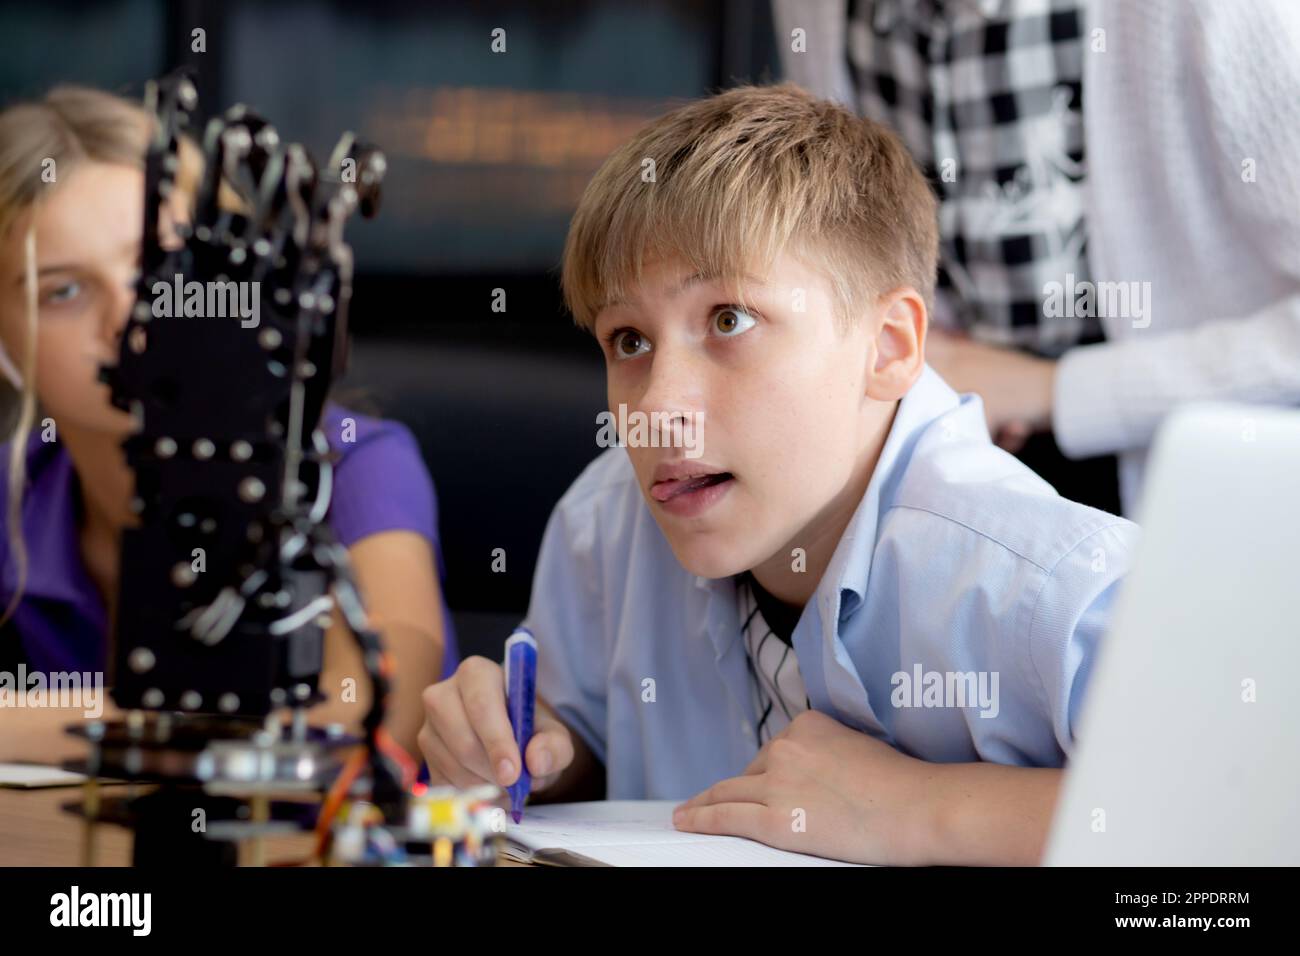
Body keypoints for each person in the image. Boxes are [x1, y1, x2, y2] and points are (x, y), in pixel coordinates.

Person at [418, 83, 1139, 865]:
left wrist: (925, 810)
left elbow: (1260, 808)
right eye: (628, 339)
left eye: (729, 321)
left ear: (890, 347)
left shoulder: (1050, 583)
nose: (658, 406)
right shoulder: (604, 524)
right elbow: (580, 746)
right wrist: (535, 756)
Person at [0, 85, 456, 764]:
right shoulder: (15, 488)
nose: (130, 319)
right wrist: (209, 714)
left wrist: (67, 723)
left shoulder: (357, 464)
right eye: (63, 290)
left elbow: (362, 714)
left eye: (160, 265)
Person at [773, 0, 1300, 516]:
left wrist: (1051, 391)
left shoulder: (1221, 13)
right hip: (943, 449)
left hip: (1176, 492)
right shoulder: (817, 13)